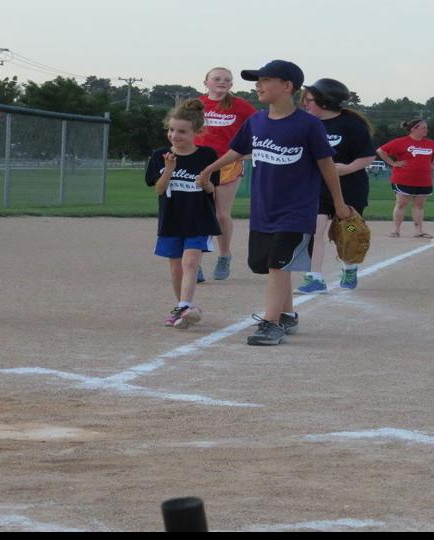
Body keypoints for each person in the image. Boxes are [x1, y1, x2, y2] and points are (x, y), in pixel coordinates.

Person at [195, 59, 353, 346]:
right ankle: (288, 314)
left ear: (287, 86)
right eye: (258, 81)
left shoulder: (308, 124)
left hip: (296, 209)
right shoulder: (256, 121)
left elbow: (327, 166)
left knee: (278, 265)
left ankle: (271, 324)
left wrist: (340, 204)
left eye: (265, 80)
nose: (258, 86)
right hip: (263, 208)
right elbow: (236, 151)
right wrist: (208, 169)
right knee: (270, 265)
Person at [146, 99, 219, 329]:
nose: (174, 135)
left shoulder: (207, 154)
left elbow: (212, 190)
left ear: (196, 132)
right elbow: (158, 189)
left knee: (190, 262)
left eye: (182, 131)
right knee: (176, 266)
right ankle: (183, 308)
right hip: (171, 219)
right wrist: (169, 170)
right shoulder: (160, 155)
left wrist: (205, 181)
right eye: (171, 130)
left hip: (199, 218)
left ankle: (185, 305)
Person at [297, 78, 375, 293]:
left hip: (350, 188)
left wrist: (346, 168)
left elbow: (368, 156)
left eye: (309, 100)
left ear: (325, 102)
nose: (305, 104)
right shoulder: (306, 123)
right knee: (315, 230)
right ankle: (314, 277)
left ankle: (349, 266)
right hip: (318, 188)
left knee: (348, 231)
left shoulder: (352, 125)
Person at [195, 67, 255, 282]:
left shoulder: (240, 106)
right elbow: (181, 128)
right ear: (206, 82)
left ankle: (224, 254)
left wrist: (247, 153)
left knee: (221, 214)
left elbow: (259, 128)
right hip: (200, 163)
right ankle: (195, 263)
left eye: (226, 80)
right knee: (199, 213)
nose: (222, 82)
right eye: (217, 79)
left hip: (227, 163)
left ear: (231, 84)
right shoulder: (196, 105)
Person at [376, 118, 434, 238]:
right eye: (424, 127)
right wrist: (392, 163)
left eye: (426, 127)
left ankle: (419, 231)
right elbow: (381, 151)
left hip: (424, 180)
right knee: (401, 204)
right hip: (403, 178)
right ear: (414, 129)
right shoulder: (401, 142)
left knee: (419, 205)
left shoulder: (430, 143)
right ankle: (395, 230)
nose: (426, 129)